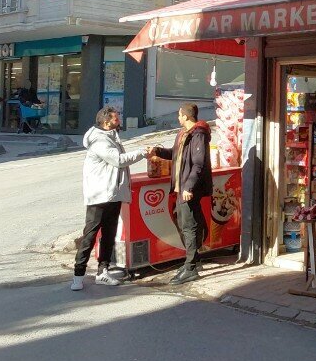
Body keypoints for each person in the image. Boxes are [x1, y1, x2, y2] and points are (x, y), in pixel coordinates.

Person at [72, 106, 145, 291]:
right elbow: (119, 160)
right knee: (90, 235)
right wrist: (142, 152)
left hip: (112, 194)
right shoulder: (99, 140)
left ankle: (102, 272)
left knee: (109, 234)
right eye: (116, 119)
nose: (118, 121)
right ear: (106, 122)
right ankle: (78, 275)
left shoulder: (110, 135)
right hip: (99, 195)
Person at [147, 103, 212, 285]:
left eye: (179, 115)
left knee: (189, 226)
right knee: (186, 223)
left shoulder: (198, 134)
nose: (178, 118)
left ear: (186, 116)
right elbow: (175, 155)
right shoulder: (183, 134)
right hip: (180, 188)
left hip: (187, 190)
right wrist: (157, 151)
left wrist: (188, 187)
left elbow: (198, 164)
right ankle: (194, 259)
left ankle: (190, 267)